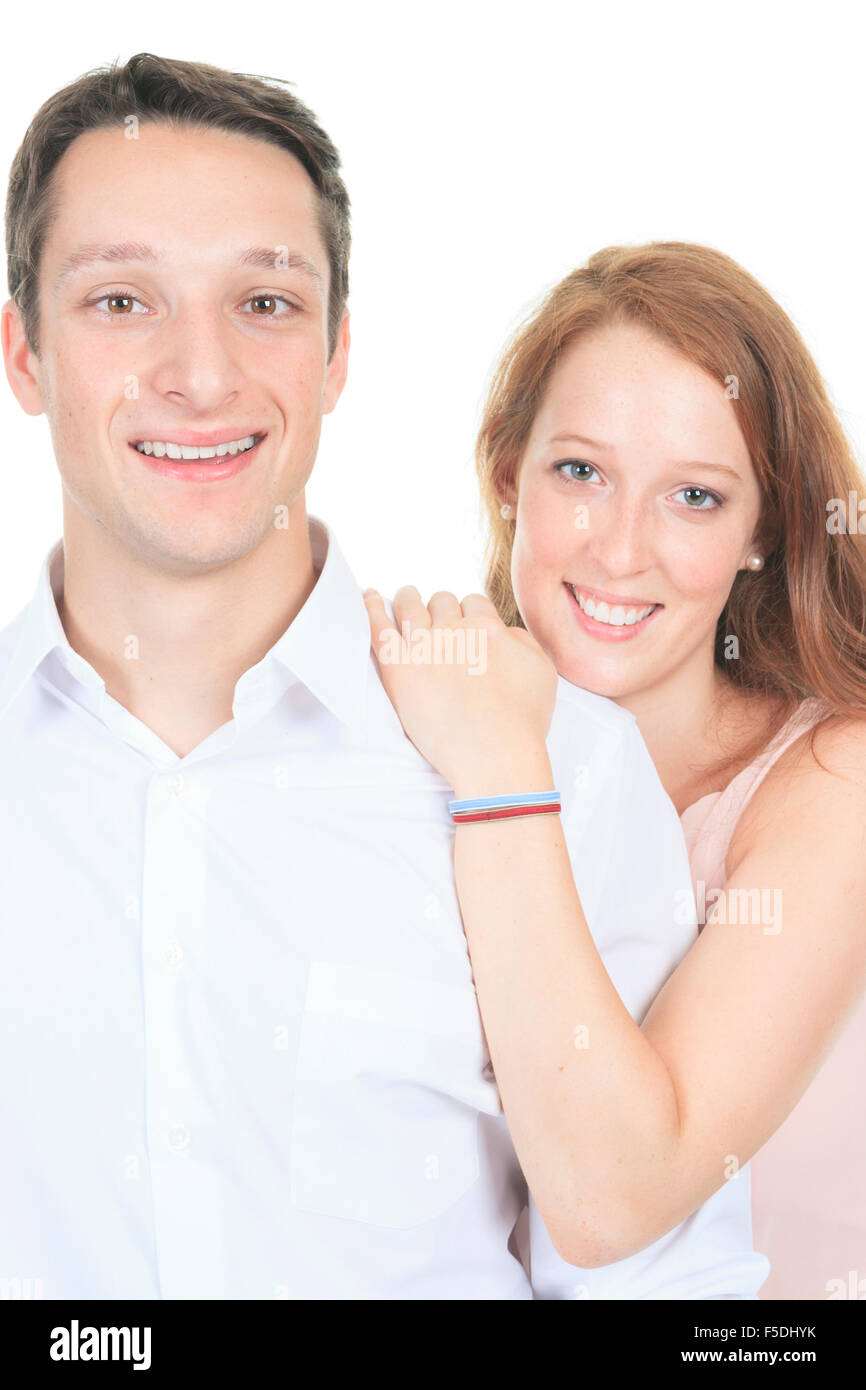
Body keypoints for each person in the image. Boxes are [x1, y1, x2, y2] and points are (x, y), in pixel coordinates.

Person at [0, 56, 762, 1300]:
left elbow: (663, 1288)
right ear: (23, 356)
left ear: (339, 353)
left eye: (265, 302)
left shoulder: (559, 763)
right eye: (122, 301)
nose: (202, 373)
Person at [365, 240, 866, 1299]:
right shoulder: (420, 736)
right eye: (580, 472)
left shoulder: (836, 776)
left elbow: (606, 1200)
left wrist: (500, 768)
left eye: (692, 496)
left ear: (760, 533)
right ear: (507, 474)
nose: (620, 549)